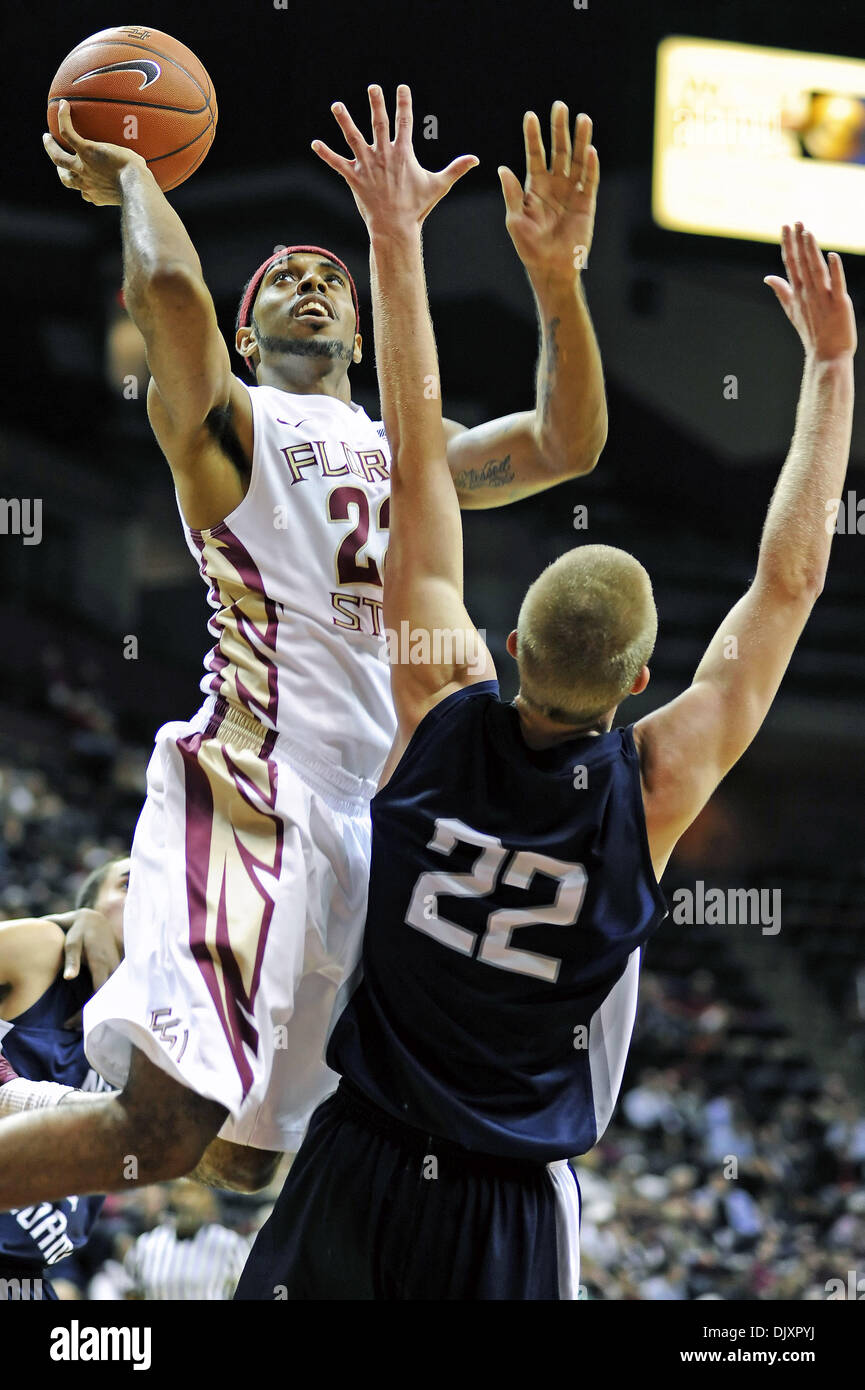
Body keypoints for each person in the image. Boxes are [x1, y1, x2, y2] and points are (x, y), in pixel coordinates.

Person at [235, 87, 856, 1299]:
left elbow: (412, 463)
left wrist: (397, 235)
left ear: (506, 642)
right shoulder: (657, 785)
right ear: (637, 684)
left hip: (359, 1157)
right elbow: (788, 581)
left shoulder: (437, 697)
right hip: (510, 1210)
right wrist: (831, 371)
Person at [0, 87, 606, 1207]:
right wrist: (136, 173)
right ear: (245, 334)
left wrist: (557, 276)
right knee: (164, 1125)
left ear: (364, 330)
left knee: (244, 1164)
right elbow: (170, 287)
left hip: (381, 822)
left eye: (331, 273)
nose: (313, 278)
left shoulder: (409, 455)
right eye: (283, 274)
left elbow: (568, 438)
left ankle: (42, 1086)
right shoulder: (234, 427)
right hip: (254, 788)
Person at [0, 858, 128, 1299]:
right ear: (89, 907)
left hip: (26, 1274)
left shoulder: (160, 1035)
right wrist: (59, 922)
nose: (151, 896)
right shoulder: (45, 951)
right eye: (130, 884)